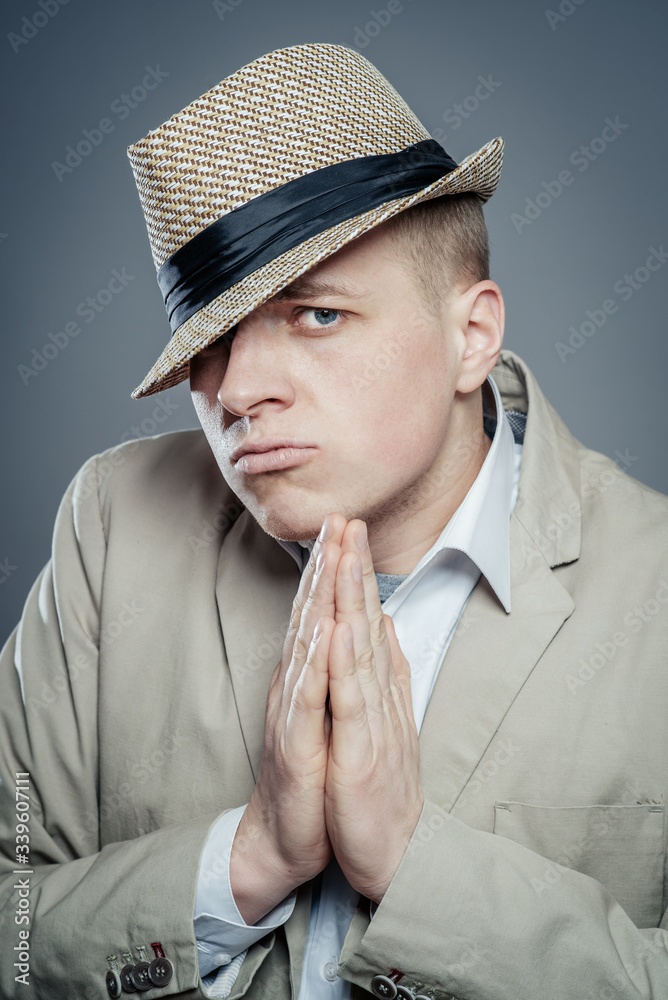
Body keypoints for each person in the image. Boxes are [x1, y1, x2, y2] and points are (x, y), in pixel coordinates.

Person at [1, 41, 667, 1000]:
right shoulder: (110, 526)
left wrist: (413, 867)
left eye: (315, 316)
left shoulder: (656, 588)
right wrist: (245, 860)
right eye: (211, 341)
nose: (237, 389)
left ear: (470, 336)